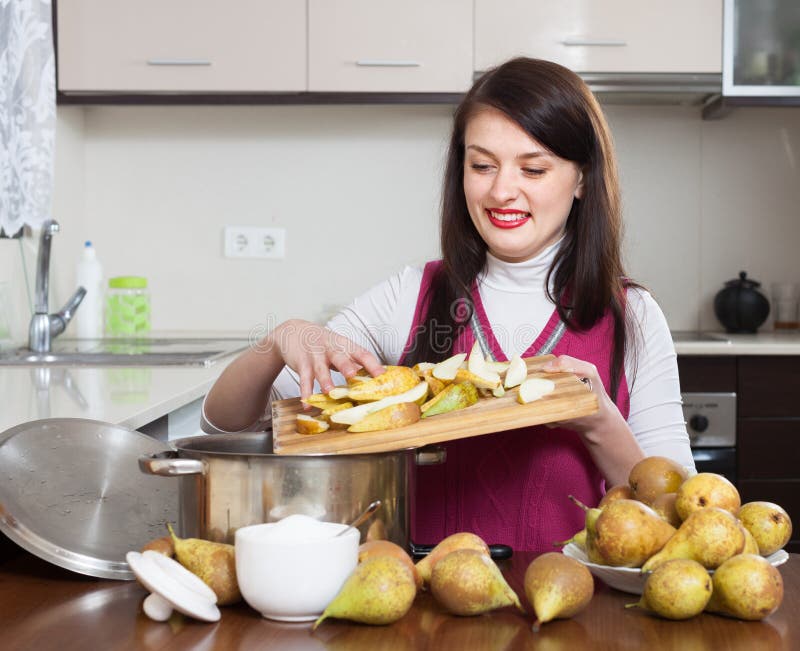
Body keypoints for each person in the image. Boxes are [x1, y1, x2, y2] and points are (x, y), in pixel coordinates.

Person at [203, 57, 694, 551]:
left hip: (574, 613)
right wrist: (277, 340)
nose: (502, 190)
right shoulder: (408, 297)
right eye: (482, 165)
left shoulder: (633, 315)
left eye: (533, 168)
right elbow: (229, 425)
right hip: (415, 609)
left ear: (583, 178)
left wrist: (597, 420)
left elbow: (677, 511)